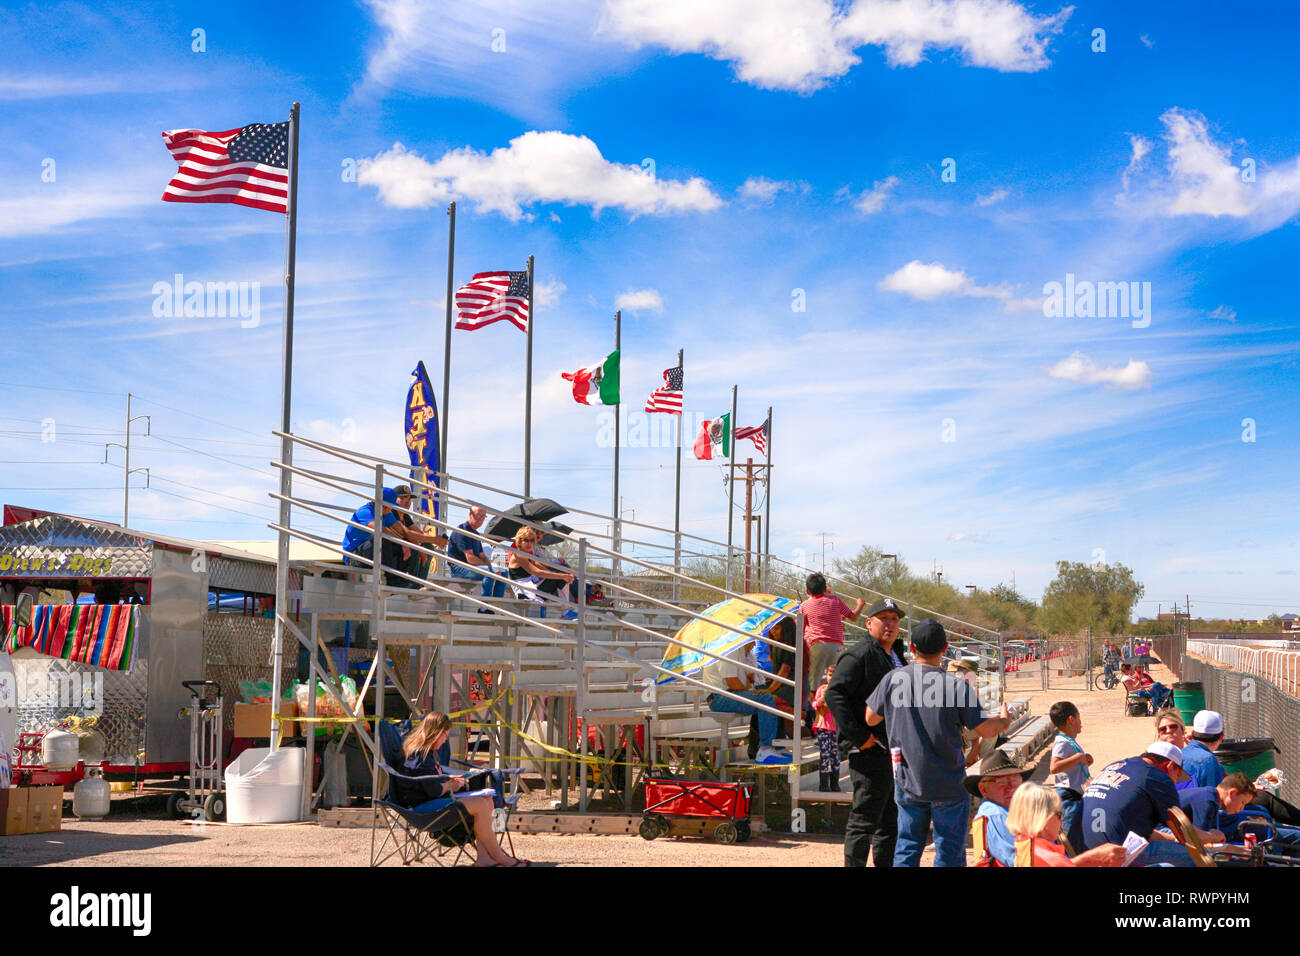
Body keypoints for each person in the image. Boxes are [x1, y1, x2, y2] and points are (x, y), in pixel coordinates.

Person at [864, 618, 1013, 867]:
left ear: (912, 648)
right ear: (945, 649)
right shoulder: (957, 686)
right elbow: (986, 730)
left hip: (907, 779)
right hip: (948, 783)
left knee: (908, 846)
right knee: (949, 850)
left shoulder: (893, 679)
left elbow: (870, 718)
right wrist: (1004, 722)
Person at [825, 597, 907, 867]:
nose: (890, 624)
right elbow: (835, 694)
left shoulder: (895, 654)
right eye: (884, 618)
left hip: (893, 748)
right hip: (870, 748)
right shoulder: (858, 654)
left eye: (894, 619)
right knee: (865, 820)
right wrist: (859, 736)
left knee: (889, 819)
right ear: (869, 623)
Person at [396, 712, 529, 867]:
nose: (446, 739)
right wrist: (450, 785)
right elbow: (433, 790)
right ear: (435, 733)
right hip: (421, 808)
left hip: (430, 801)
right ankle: (501, 858)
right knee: (480, 804)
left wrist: (450, 781)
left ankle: (484, 858)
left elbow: (430, 782)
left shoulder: (425, 752)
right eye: (445, 735)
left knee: (487, 799)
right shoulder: (420, 756)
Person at [1081, 741, 1211, 866]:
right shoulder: (1159, 777)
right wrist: (1213, 835)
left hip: (1081, 850)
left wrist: (1173, 838)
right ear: (1170, 766)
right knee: (1199, 857)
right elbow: (1185, 835)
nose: (1176, 783)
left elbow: (1141, 833)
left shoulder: (1117, 766)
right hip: (1112, 854)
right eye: (1177, 776)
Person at [703, 636, 791, 765]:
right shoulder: (730, 648)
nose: (755, 644)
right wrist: (752, 690)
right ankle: (765, 749)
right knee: (766, 700)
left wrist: (752, 687)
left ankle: (775, 747)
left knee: (773, 698)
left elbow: (750, 680)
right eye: (752, 639)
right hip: (720, 697)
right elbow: (732, 682)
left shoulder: (746, 654)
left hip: (729, 694)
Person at [342, 488, 447, 586]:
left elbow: (406, 532)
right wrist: (403, 543)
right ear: (384, 506)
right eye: (402, 498)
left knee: (410, 544)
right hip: (354, 557)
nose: (407, 502)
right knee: (383, 538)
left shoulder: (388, 514)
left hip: (373, 554)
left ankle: (410, 583)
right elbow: (382, 530)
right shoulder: (365, 512)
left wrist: (433, 541)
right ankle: (394, 581)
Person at [1008, 783, 1127, 867]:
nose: (1062, 822)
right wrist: (1093, 858)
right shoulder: (1049, 858)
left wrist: (1090, 858)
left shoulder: (1024, 842)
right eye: (1059, 815)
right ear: (1044, 818)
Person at [799, 573, 864, 708]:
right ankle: (834, 712)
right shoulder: (835, 600)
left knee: (813, 682)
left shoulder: (805, 605)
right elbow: (853, 617)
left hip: (816, 645)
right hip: (836, 646)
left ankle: (814, 712)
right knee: (835, 681)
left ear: (807, 591)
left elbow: (801, 628)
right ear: (824, 589)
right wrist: (860, 605)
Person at [968, 751, 1028, 867]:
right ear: (983, 789)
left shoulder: (1009, 810)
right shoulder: (997, 815)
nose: (1010, 787)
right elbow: (1021, 861)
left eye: (1015, 779)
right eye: (1001, 782)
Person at [1048, 700, 1092, 853]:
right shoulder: (1061, 742)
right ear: (1071, 720)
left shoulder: (1069, 741)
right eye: (1079, 718)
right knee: (1069, 840)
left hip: (1074, 796)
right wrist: (1079, 757)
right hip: (1068, 799)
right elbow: (1054, 767)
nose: (1081, 722)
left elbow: (1068, 766)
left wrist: (1084, 761)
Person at [506, 527, 577, 618]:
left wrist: (564, 574)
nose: (529, 543)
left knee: (560, 576)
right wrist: (562, 576)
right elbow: (537, 572)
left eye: (532, 540)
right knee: (560, 577)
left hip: (532, 588)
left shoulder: (528, 554)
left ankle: (561, 607)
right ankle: (565, 611)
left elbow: (544, 568)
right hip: (525, 592)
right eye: (526, 540)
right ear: (519, 541)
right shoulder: (519, 555)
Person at [446, 505, 506, 604]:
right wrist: (491, 568)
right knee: (491, 572)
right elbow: (470, 559)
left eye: (484, 516)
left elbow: (482, 556)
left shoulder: (476, 534)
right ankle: (485, 606)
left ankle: (497, 604)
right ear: (470, 514)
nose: (481, 519)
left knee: (503, 571)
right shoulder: (462, 531)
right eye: (479, 515)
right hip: (458, 569)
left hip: (470, 567)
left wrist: (495, 567)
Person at [1177, 772, 1252, 838]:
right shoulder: (1208, 802)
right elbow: (1199, 841)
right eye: (1242, 802)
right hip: (1167, 831)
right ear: (1232, 793)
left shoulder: (1209, 794)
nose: (1242, 808)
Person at [811, 664, 840, 792]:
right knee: (824, 753)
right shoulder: (822, 689)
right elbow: (814, 703)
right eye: (829, 675)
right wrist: (818, 703)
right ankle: (823, 784)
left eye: (834, 676)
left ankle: (835, 783)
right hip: (823, 726)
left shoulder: (841, 690)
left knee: (835, 754)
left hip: (836, 727)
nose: (831, 678)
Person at [1181, 710, 1226, 790]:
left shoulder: (1180, 753)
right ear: (1222, 736)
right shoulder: (1208, 760)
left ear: (1192, 733)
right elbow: (1215, 797)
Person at [950, 659, 983, 767]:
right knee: (987, 731)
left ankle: (972, 758)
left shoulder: (965, 686)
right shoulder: (958, 687)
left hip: (959, 725)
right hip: (956, 727)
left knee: (984, 729)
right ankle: (972, 758)